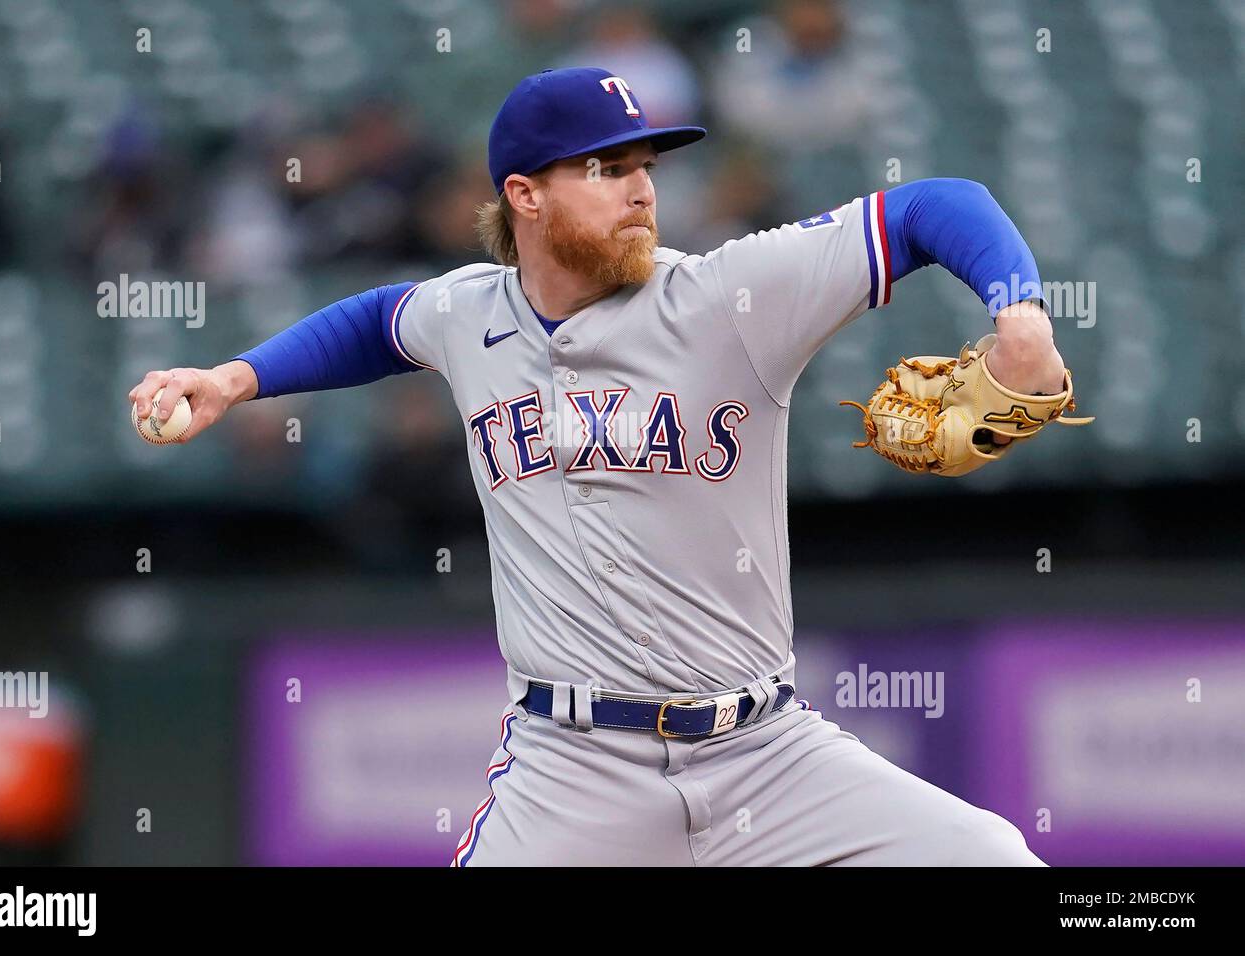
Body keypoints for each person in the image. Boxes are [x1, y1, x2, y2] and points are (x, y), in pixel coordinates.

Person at [129, 67, 1064, 866]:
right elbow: (375, 323)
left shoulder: (727, 296)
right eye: (607, 168)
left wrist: (1018, 312)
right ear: (525, 195)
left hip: (768, 754)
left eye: (646, 166)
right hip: (573, 771)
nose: (641, 189)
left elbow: (933, 206)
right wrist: (235, 378)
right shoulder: (468, 314)